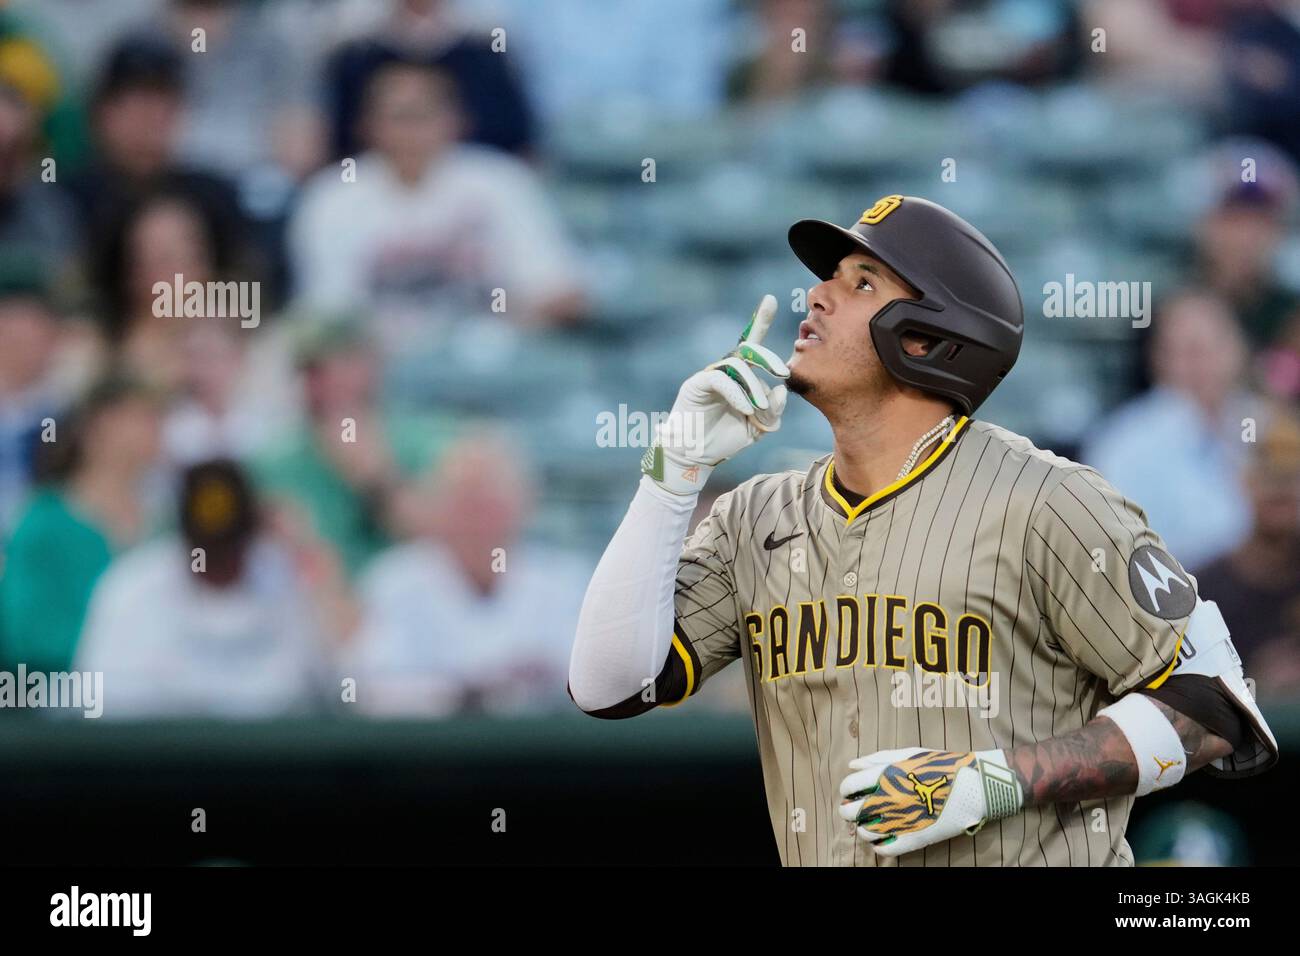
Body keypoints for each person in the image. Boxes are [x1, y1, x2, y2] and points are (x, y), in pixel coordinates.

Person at [569, 194, 1277, 867]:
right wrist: (673, 472)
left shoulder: (1051, 501)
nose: (817, 296)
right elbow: (610, 686)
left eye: (863, 283)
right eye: (829, 279)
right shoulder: (754, 517)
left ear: (931, 338)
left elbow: (1214, 705)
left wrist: (993, 784)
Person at [287, 57, 583, 362]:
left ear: (456, 120)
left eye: (424, 115)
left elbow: (561, 295)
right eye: (399, 116)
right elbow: (328, 319)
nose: (411, 131)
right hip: (380, 370)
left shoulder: (500, 180)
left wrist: (501, 332)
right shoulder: (332, 196)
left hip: (491, 364)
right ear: (367, 125)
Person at [346, 434, 589, 716]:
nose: (478, 518)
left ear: (523, 504)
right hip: (430, 753)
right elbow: (374, 686)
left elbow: (590, 683)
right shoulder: (395, 582)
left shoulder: (563, 581)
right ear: (437, 506)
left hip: (545, 754)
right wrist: (466, 694)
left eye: (491, 502)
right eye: (465, 502)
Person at [75, 459, 337, 718]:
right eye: (205, 549)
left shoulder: (286, 577)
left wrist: (308, 553)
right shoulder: (131, 588)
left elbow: (346, 683)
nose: (216, 562)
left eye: (228, 549)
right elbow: (103, 708)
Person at [0, 374, 163, 673]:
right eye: (143, 416)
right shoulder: (43, 523)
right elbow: (26, 636)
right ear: (98, 427)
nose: (157, 429)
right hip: (65, 701)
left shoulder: (165, 523)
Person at [1081, 291, 1255, 571]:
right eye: (1190, 351)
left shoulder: (1267, 422)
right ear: (1158, 358)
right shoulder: (1123, 444)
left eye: (1216, 347)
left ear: (1240, 349)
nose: (1205, 364)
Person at [1195, 411, 1300, 681]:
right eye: (1268, 475)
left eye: (1290, 476)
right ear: (1245, 482)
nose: (1279, 489)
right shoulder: (1202, 592)